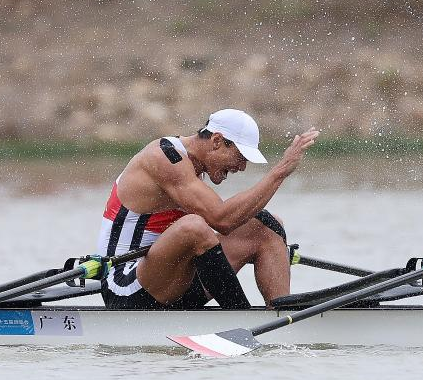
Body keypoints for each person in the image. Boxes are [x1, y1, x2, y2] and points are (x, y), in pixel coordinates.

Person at [96, 108, 319, 310]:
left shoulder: (193, 165)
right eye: (240, 157)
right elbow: (222, 220)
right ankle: (241, 317)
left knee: (267, 225)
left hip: (172, 281)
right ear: (217, 140)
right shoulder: (164, 157)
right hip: (125, 286)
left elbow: (232, 218)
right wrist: (279, 172)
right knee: (193, 228)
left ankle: (282, 318)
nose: (241, 167)